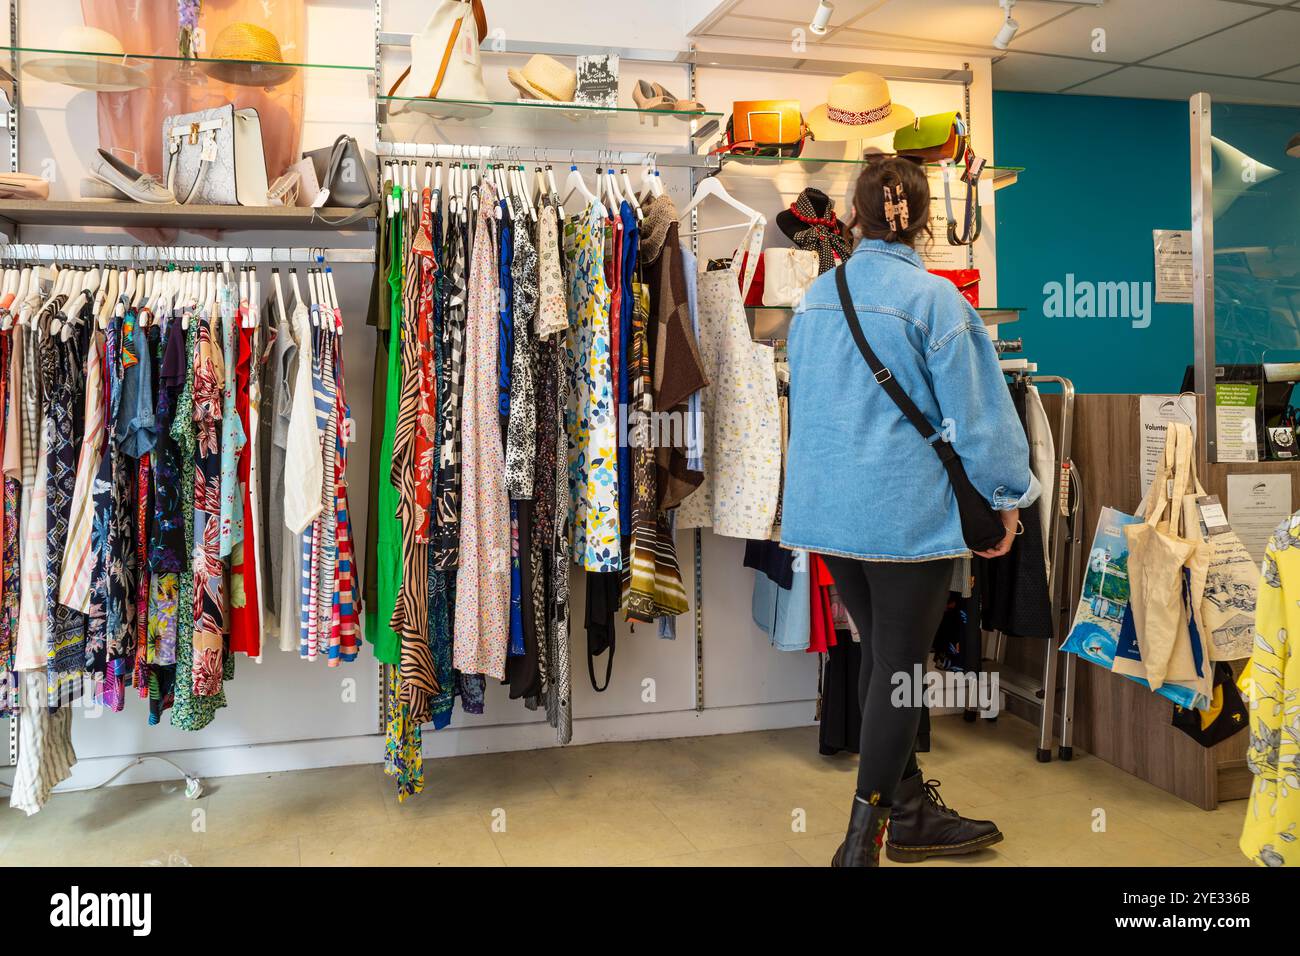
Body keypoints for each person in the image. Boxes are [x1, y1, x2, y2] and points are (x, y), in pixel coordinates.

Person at [782, 157, 1039, 868]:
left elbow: (811, 402)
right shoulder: (937, 302)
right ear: (925, 221)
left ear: (854, 217)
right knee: (900, 667)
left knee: (880, 657)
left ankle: (914, 809)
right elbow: (981, 420)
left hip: (828, 509)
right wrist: (1007, 500)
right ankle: (862, 841)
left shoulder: (814, 298)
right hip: (904, 513)